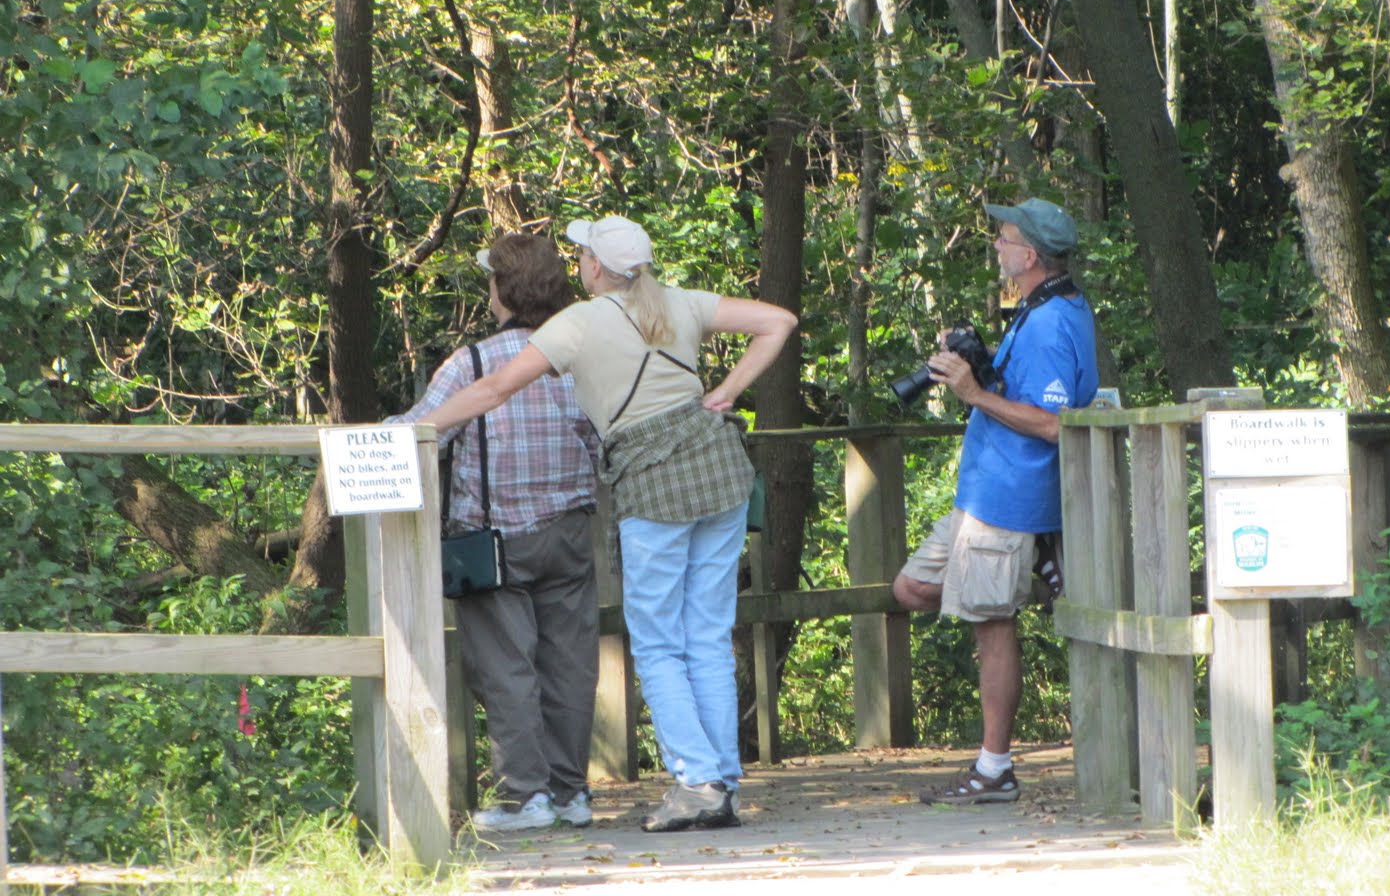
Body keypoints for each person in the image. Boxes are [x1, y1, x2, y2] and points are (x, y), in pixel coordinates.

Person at [418, 213, 798, 833]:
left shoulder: (578, 325)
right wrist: (727, 390)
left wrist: (411, 432)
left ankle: (697, 782)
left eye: (584, 255)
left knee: (657, 643)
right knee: (705, 633)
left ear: (595, 267)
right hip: (721, 470)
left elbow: (491, 393)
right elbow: (779, 321)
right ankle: (721, 778)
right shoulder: (681, 304)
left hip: (655, 484)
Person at [388, 233, 602, 834]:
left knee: (507, 667)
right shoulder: (577, 359)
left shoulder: (473, 364)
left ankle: (525, 797)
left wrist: (369, 436)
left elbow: (421, 433)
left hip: (494, 541)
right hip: (568, 531)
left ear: (503, 289)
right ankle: (571, 793)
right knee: (571, 664)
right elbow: (600, 441)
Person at [892, 197, 1098, 806]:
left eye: (1005, 240)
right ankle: (1035, 571)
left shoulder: (1050, 322)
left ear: (1030, 255)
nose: (998, 248)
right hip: (988, 495)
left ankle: (994, 769)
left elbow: (1055, 423)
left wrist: (974, 392)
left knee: (991, 624)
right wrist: (984, 368)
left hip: (1011, 498)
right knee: (911, 588)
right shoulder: (1044, 306)